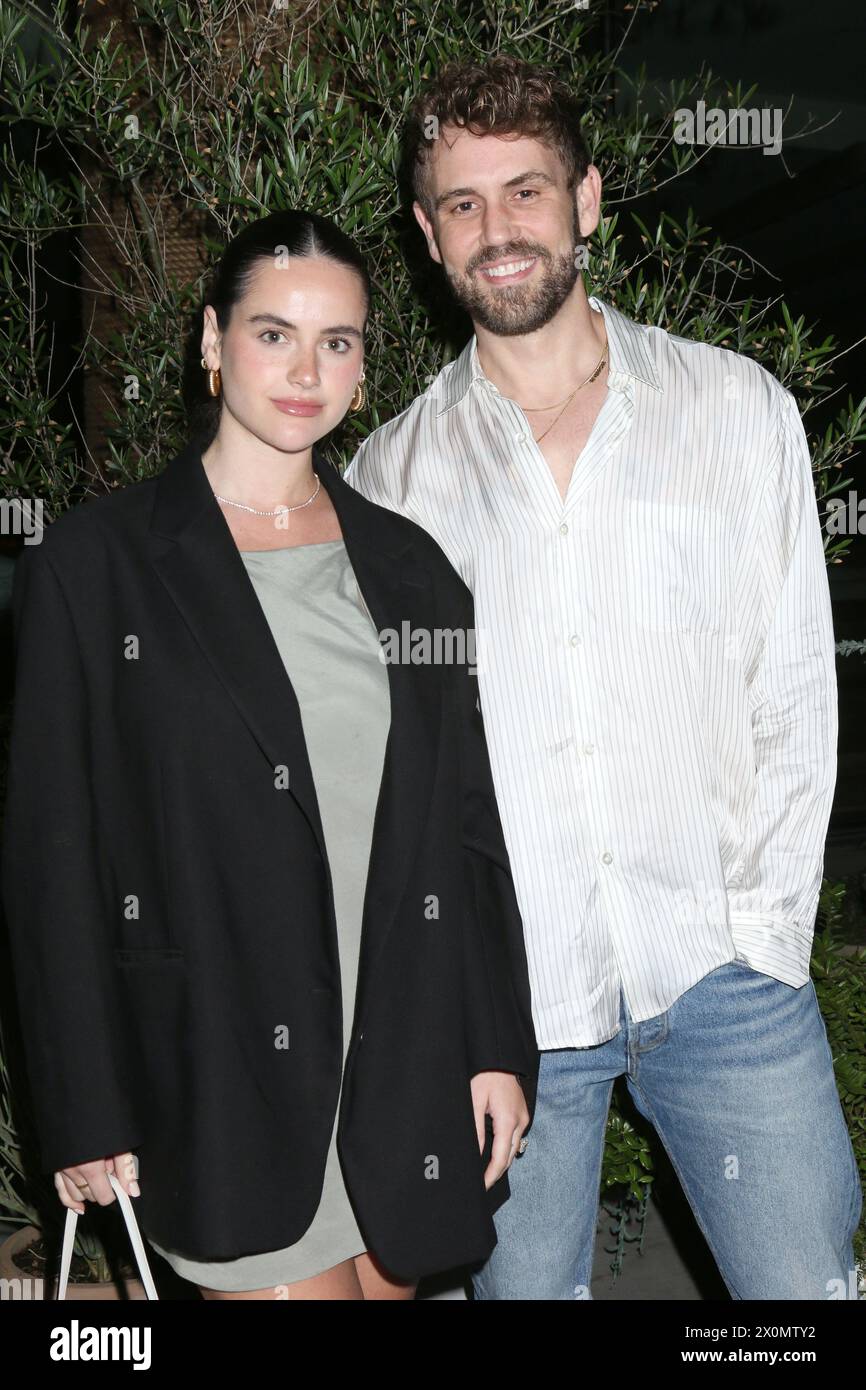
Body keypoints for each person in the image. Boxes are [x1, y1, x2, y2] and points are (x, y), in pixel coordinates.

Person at [342, 56, 862, 1300]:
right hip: (509, 1017)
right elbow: (394, 781)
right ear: (425, 236)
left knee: (805, 1306)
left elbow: (790, 685)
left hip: (724, 974)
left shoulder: (735, 411)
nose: (498, 229)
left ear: (584, 199)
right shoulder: (386, 486)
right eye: (462, 204)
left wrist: (764, 934)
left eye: (525, 191)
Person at [1, 209, 539, 1302]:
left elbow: (465, 829)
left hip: (396, 1070)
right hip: (221, 1072)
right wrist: (83, 1104)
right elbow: (52, 859)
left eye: (337, 341)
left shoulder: (410, 569)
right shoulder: (98, 566)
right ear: (210, 341)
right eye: (272, 332)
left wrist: (494, 1043)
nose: (307, 369)